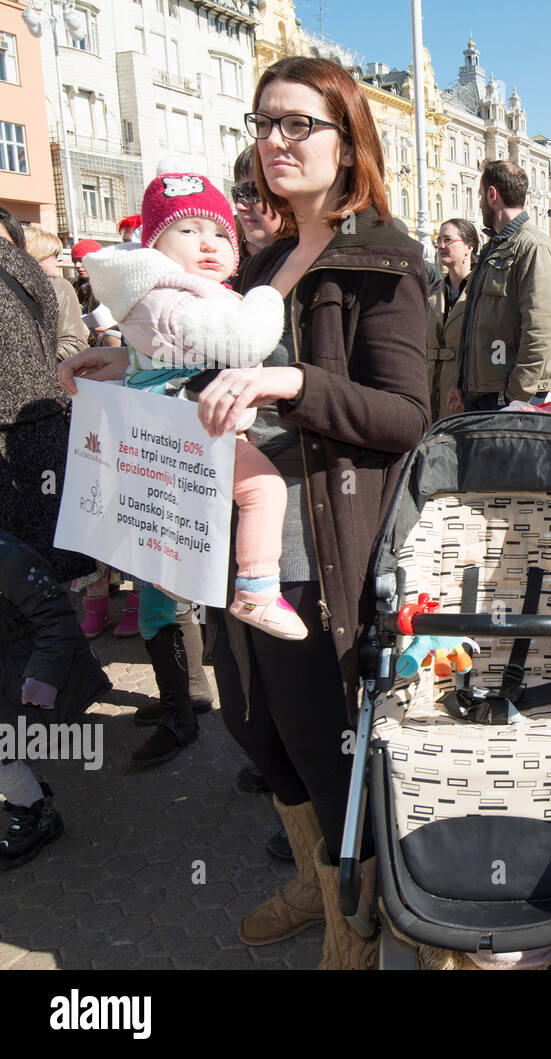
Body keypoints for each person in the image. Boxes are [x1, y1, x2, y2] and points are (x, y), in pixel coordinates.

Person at [60, 56, 431, 967]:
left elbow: (407, 416)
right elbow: (203, 371)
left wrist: (292, 380)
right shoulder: (258, 256)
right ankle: (315, 879)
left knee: (319, 738)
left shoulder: (384, 256)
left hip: (321, 547)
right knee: (250, 725)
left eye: (299, 123)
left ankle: (358, 916)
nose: (275, 140)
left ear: (348, 140)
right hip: (223, 538)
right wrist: (130, 374)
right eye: (265, 121)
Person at [83, 173, 304, 641]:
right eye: (188, 231)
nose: (209, 243)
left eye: (221, 234)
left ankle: (167, 575)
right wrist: (266, 298)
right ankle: (258, 589)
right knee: (264, 490)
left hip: (169, 426)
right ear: (154, 243)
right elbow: (242, 339)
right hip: (188, 427)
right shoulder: (170, 297)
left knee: (179, 510)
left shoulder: (162, 291)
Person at [0, 527, 110, 869]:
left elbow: (56, 620)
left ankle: (38, 816)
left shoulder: (9, 559)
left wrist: (41, 681)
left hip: (26, 674)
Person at [0, 211, 94, 586]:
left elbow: (65, 340)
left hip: (35, 421)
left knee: (38, 583)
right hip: (36, 420)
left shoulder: (39, 283)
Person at [451, 159, 551, 411]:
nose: (479, 203)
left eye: (480, 195)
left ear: (492, 194)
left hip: (508, 396)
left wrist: (517, 396)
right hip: (483, 391)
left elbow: (540, 330)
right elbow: (474, 325)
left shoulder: (534, 247)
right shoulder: (493, 248)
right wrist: (462, 384)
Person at [429, 218, 478, 420]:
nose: (441, 246)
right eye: (438, 240)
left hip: (466, 393)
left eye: (448, 240)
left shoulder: (480, 291)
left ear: (468, 247)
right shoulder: (432, 293)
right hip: (430, 389)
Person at [22, 227, 89, 361]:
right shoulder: (59, 286)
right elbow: (75, 346)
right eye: (54, 254)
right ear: (35, 256)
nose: (60, 260)